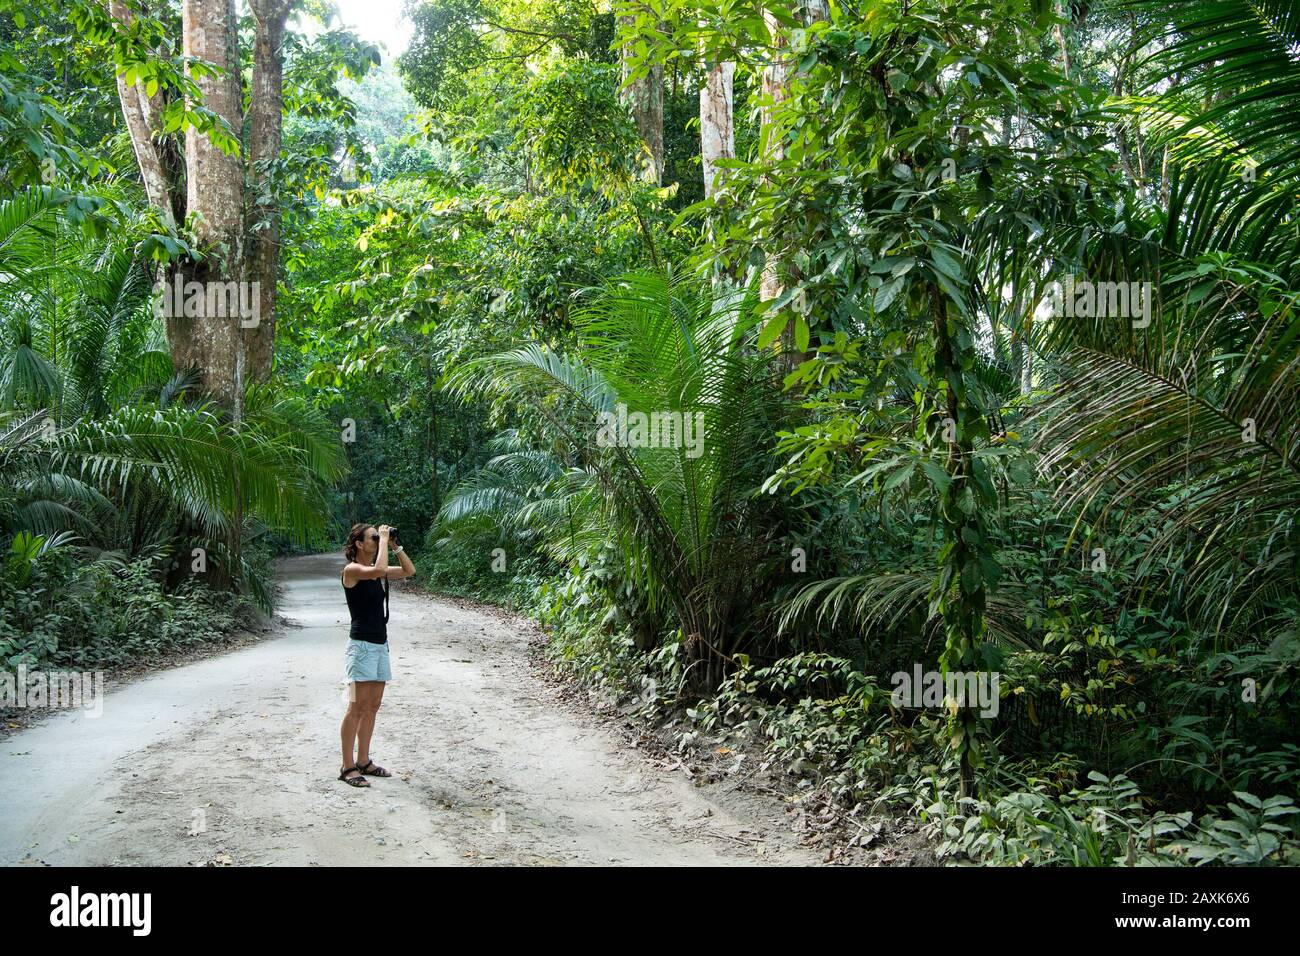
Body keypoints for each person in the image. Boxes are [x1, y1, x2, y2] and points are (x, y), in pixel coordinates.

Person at [338, 523, 415, 787]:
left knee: (372, 706)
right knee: (355, 707)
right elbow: (380, 569)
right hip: (360, 648)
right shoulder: (352, 571)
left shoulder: (374, 572)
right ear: (359, 544)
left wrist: (395, 546)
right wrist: (383, 540)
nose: (376, 540)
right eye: (372, 537)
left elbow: (409, 571)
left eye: (377, 536)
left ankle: (363, 761)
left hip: (380, 645)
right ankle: (347, 767)